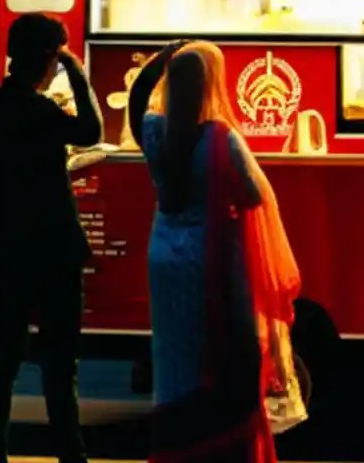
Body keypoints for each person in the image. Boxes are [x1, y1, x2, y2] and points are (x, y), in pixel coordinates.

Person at [127, 40, 301, 463]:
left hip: (164, 257)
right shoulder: (221, 141)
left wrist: (160, 61)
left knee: (174, 356)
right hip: (209, 259)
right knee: (220, 352)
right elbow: (254, 195)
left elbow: (135, 104)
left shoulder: (154, 131)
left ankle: (178, 445)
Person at [0, 13, 103, 463]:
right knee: (60, 363)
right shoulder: (42, 112)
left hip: (7, 247)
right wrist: (78, 75)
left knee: (2, 360)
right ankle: (70, 454)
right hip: (56, 248)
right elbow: (92, 131)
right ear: (48, 58)